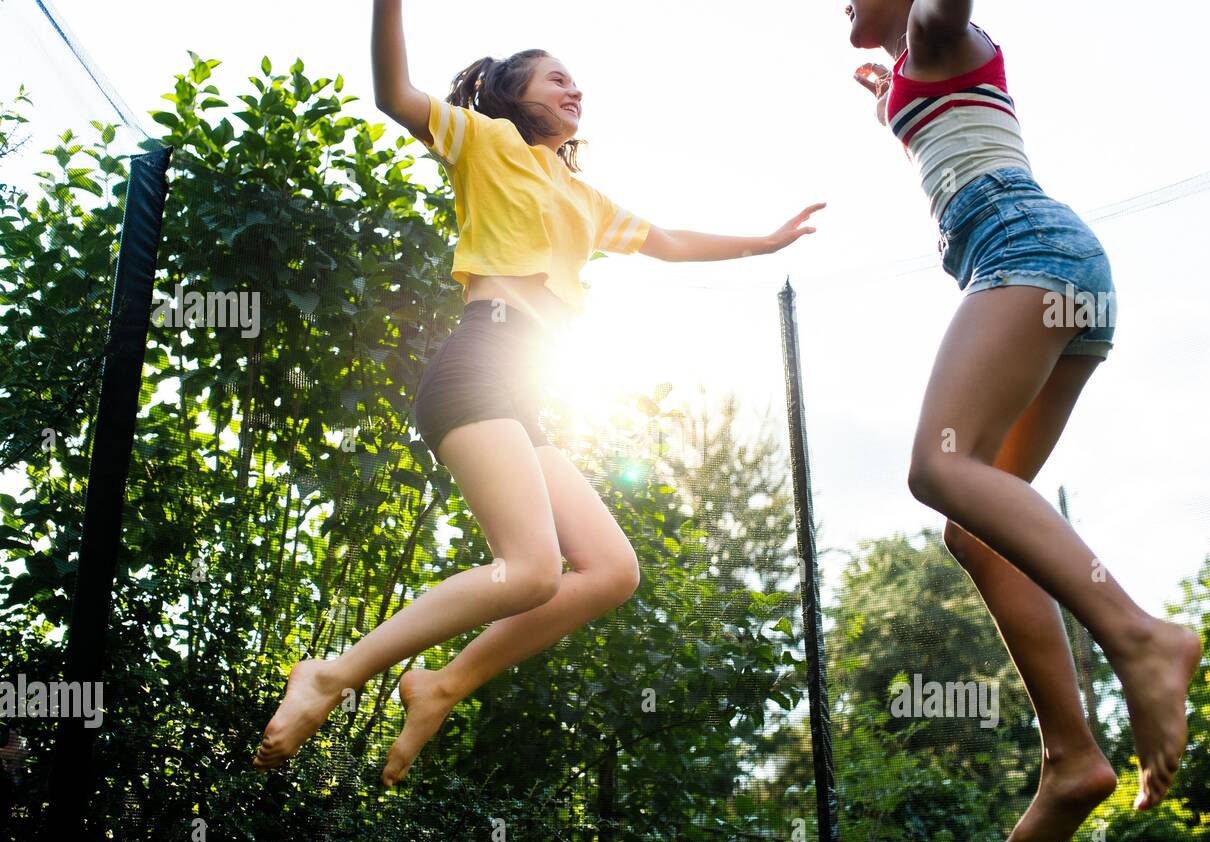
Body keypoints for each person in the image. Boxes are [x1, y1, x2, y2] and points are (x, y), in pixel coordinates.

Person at [252, 0, 823, 785]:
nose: (573, 88)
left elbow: (669, 241)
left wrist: (764, 240)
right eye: (556, 77)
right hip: (479, 359)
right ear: (514, 94)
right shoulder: (483, 141)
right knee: (530, 570)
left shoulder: (581, 196)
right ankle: (334, 671)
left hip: (522, 387)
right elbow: (393, 93)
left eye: (577, 81)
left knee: (610, 571)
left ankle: (441, 682)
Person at [844, 0, 1201, 842]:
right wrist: (884, 94)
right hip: (1059, 272)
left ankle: (1141, 636)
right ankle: (1072, 754)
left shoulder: (940, 30)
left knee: (939, 465)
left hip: (1026, 253)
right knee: (975, 528)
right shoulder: (914, 61)